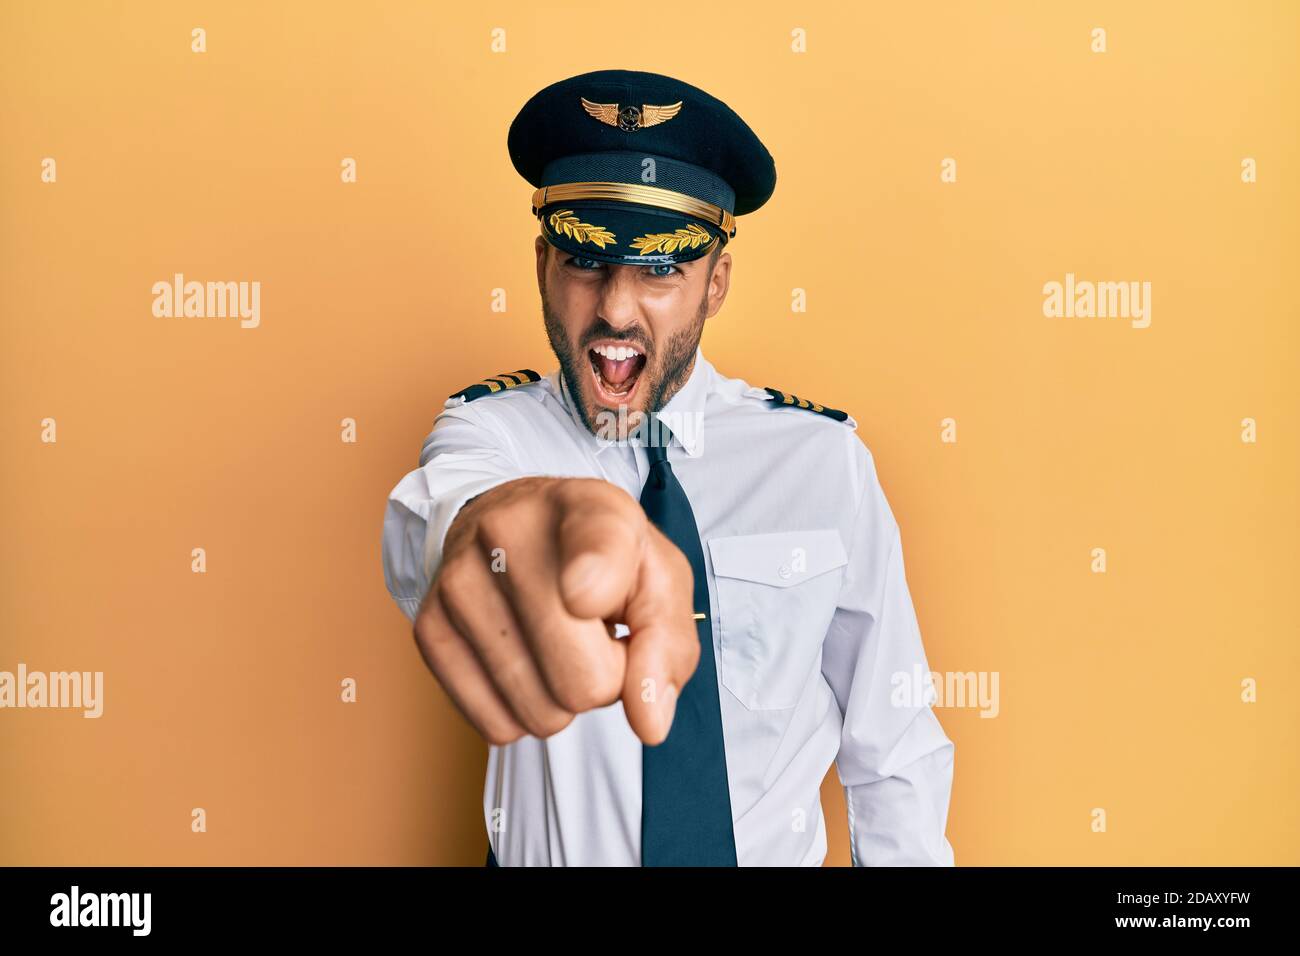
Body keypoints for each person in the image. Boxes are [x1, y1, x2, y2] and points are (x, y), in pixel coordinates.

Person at [381, 69, 955, 867]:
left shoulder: (823, 464)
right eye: (585, 261)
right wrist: (495, 532)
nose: (616, 308)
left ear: (715, 283)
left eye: (659, 268)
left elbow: (891, 750)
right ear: (543, 262)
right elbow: (443, 519)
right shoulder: (490, 433)